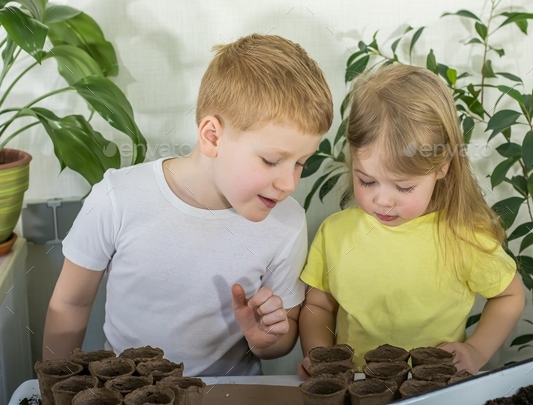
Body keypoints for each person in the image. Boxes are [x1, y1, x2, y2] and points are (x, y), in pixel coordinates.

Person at [43, 34, 333, 377]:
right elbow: (69, 303)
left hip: (231, 397)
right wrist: (51, 387)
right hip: (130, 391)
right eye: (272, 161)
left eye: (300, 163)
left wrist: (265, 338)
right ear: (212, 136)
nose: (288, 184)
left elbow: (281, 339)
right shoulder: (118, 197)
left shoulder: (286, 221)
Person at [297, 64, 524, 377]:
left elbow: (509, 296)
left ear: (442, 167)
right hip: (358, 391)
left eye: (403, 186)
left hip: (436, 389)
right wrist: (321, 358)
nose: (383, 199)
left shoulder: (463, 235)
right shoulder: (335, 233)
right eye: (366, 181)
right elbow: (318, 306)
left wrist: (476, 350)